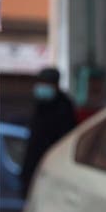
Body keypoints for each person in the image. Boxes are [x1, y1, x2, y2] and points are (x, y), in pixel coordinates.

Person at [20, 67, 77, 197]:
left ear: (55, 86)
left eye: (46, 84)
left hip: (53, 171)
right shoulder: (40, 105)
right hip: (35, 171)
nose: (42, 87)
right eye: (41, 83)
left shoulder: (64, 108)